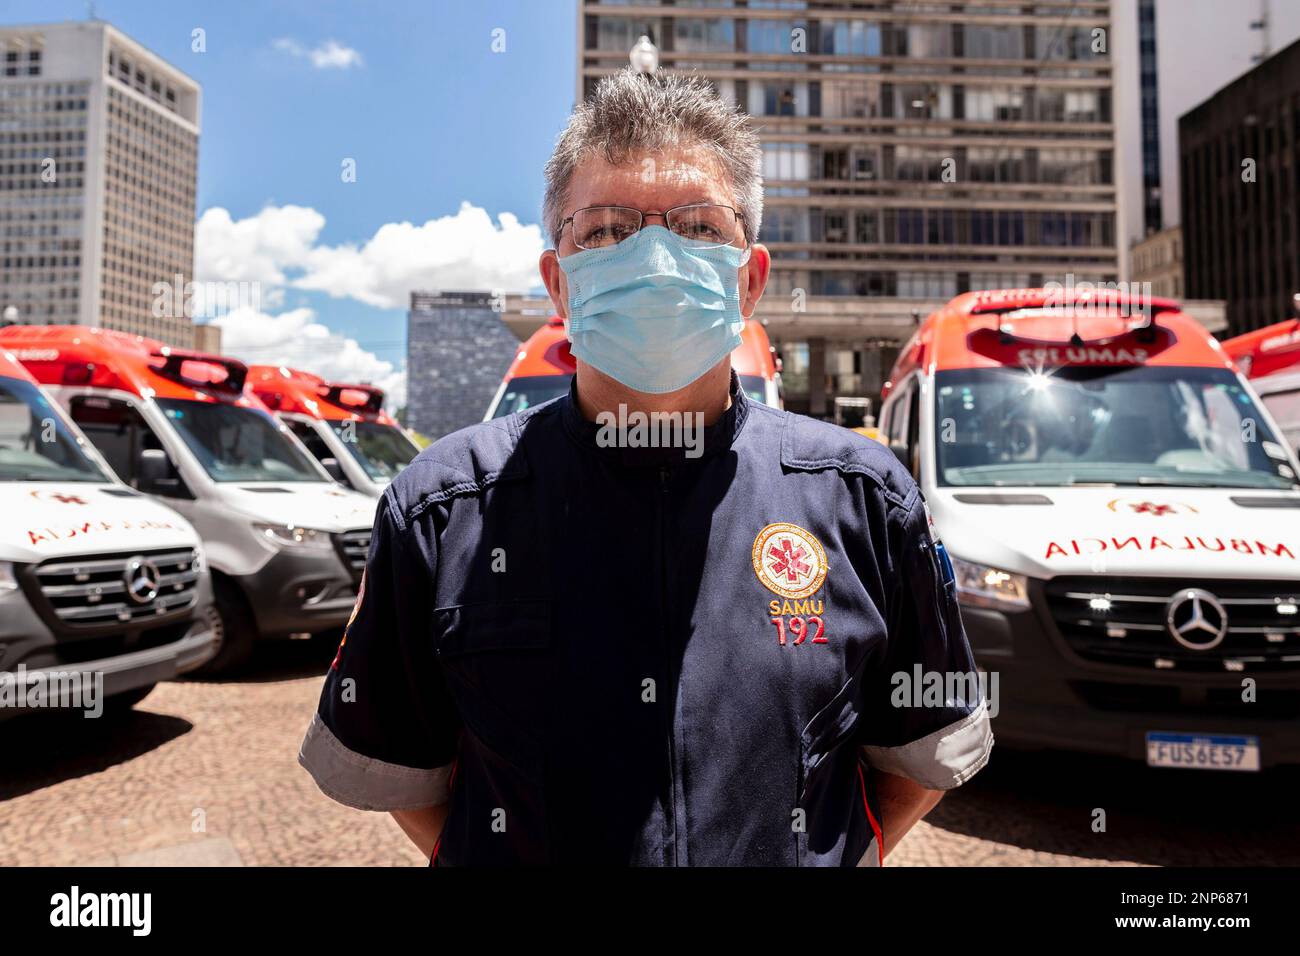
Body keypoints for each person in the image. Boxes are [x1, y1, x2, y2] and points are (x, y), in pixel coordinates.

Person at [299, 68, 992, 866]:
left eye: (698, 228)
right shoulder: (441, 510)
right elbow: (408, 775)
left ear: (751, 282)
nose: (655, 259)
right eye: (603, 231)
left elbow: (916, 758)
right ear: (558, 283)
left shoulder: (862, 499)